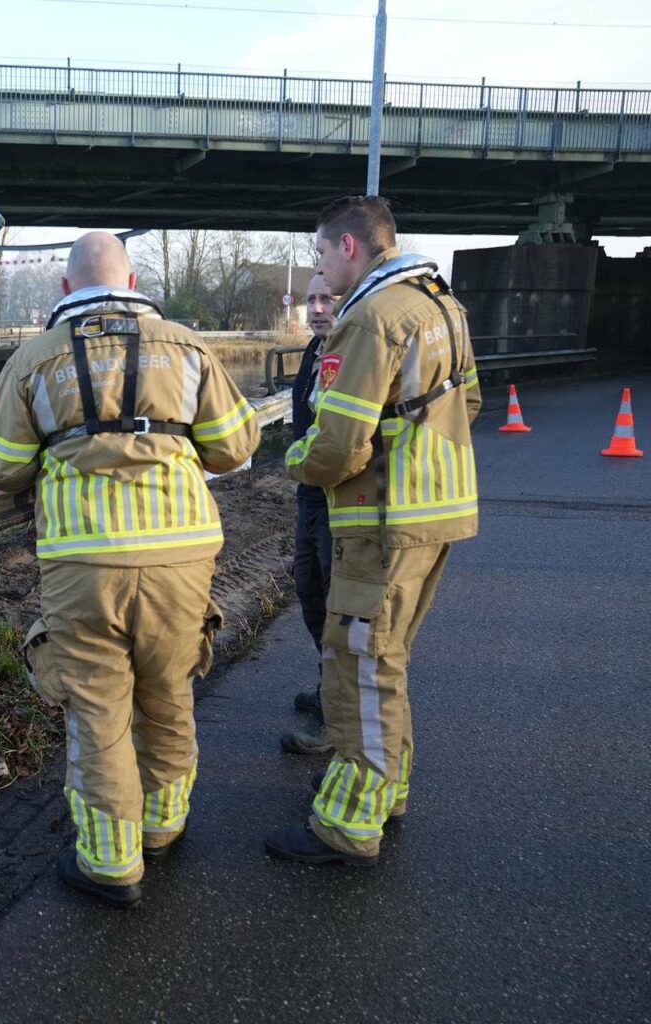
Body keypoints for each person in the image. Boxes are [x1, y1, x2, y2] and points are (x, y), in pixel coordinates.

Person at [0, 232, 261, 907]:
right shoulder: (187, 346)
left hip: (85, 561)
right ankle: (163, 827)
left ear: (66, 290)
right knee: (169, 689)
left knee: (98, 707)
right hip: (180, 556)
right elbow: (235, 448)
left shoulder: (37, 357)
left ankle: (109, 863)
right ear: (132, 280)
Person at [265, 196, 480, 867]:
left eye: (322, 255)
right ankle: (387, 792)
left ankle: (349, 826)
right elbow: (468, 400)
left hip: (379, 522)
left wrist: (294, 461)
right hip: (435, 514)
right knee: (387, 661)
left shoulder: (371, 318)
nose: (320, 272)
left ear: (350, 247)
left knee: (358, 665)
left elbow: (337, 447)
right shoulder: (443, 305)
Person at [280, 272, 341, 757]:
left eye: (327, 298)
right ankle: (328, 688)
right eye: (311, 300)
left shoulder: (353, 355)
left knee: (338, 604)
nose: (316, 308)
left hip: (341, 502)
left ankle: (336, 721)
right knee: (309, 591)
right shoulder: (312, 352)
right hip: (310, 496)